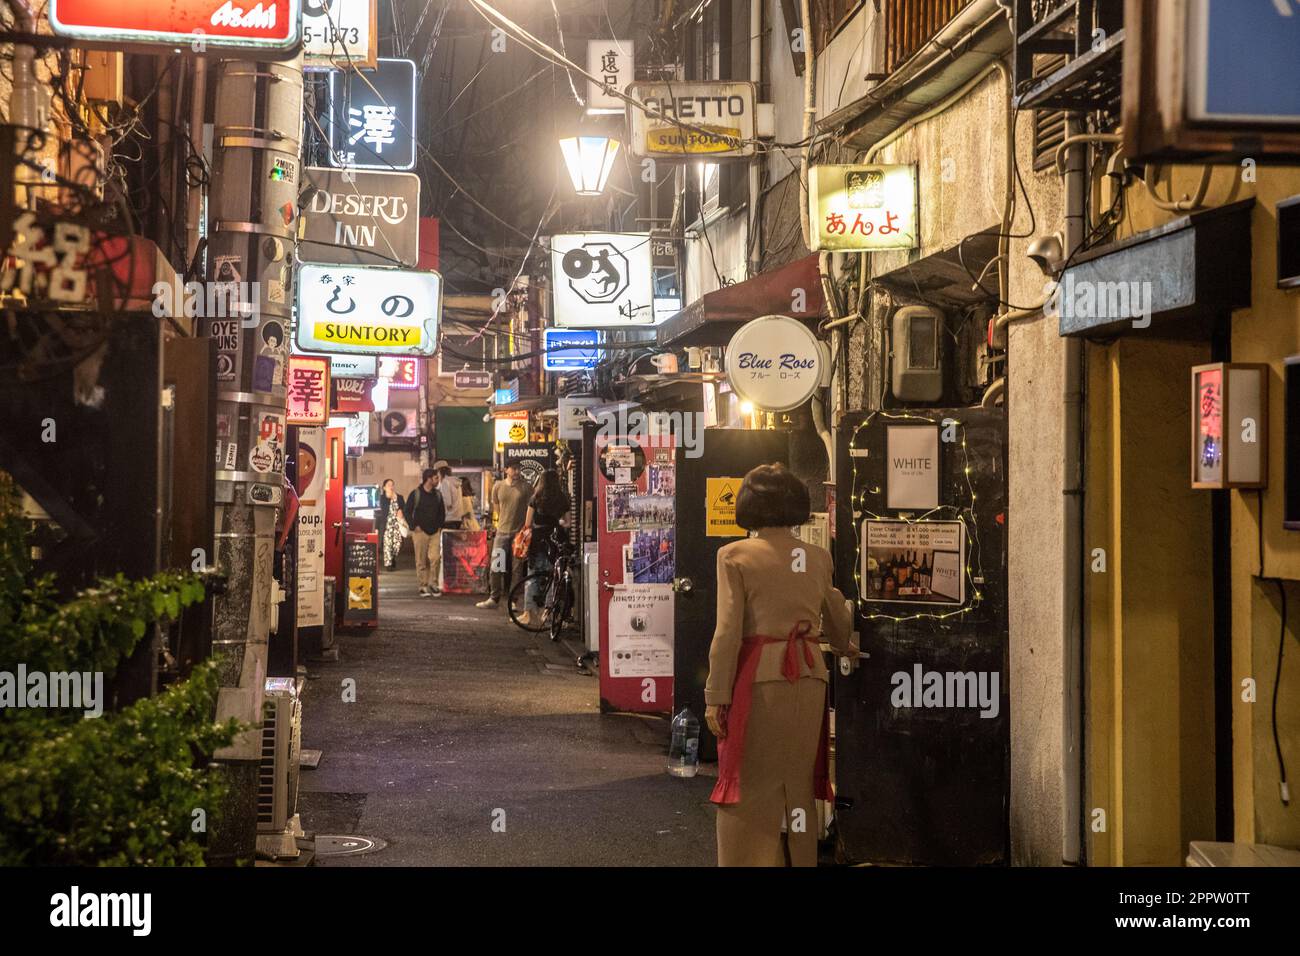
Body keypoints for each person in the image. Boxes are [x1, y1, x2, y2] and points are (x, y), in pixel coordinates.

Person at [704, 463, 857, 867]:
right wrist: (845, 642)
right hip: (809, 677)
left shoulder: (733, 556)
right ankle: (801, 859)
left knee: (751, 784)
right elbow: (838, 621)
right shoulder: (816, 556)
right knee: (796, 783)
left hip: (758, 679)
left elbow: (727, 633)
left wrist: (715, 696)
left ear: (749, 505)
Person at [475, 462, 532, 610]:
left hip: (518, 534)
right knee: (496, 566)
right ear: (506, 470)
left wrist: (526, 529)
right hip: (501, 532)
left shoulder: (526, 487)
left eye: (518, 469)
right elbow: (497, 507)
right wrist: (497, 524)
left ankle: (513, 600)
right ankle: (494, 598)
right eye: (513, 469)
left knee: (517, 568)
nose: (516, 472)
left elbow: (531, 508)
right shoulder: (498, 486)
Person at [520, 469, 569, 627]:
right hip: (554, 539)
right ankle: (547, 612)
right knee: (553, 577)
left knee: (532, 576)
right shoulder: (562, 499)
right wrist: (558, 523)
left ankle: (528, 613)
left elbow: (527, 523)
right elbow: (567, 522)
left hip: (538, 540)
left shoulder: (536, 497)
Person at [405, 468, 446, 597]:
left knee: (435, 558)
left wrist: (439, 526)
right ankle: (423, 585)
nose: (438, 480)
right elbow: (407, 511)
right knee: (420, 559)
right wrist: (413, 526)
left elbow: (442, 512)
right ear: (429, 479)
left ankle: (433, 584)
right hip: (420, 531)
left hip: (434, 532)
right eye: (436, 478)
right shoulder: (415, 494)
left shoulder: (438, 495)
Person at [429, 461, 463, 589]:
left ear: (439, 472)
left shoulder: (445, 483)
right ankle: (452, 580)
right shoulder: (456, 483)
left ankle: (446, 582)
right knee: (453, 553)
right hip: (457, 519)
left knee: (446, 553)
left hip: (448, 519)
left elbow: (447, 503)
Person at [377, 478, 406, 571]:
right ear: (384, 487)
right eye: (388, 485)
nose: (391, 486)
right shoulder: (381, 498)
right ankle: (388, 564)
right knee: (387, 545)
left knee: (396, 545)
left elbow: (404, 509)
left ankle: (393, 558)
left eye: (392, 484)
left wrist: (401, 511)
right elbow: (378, 512)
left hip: (397, 525)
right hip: (386, 525)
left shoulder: (399, 497)